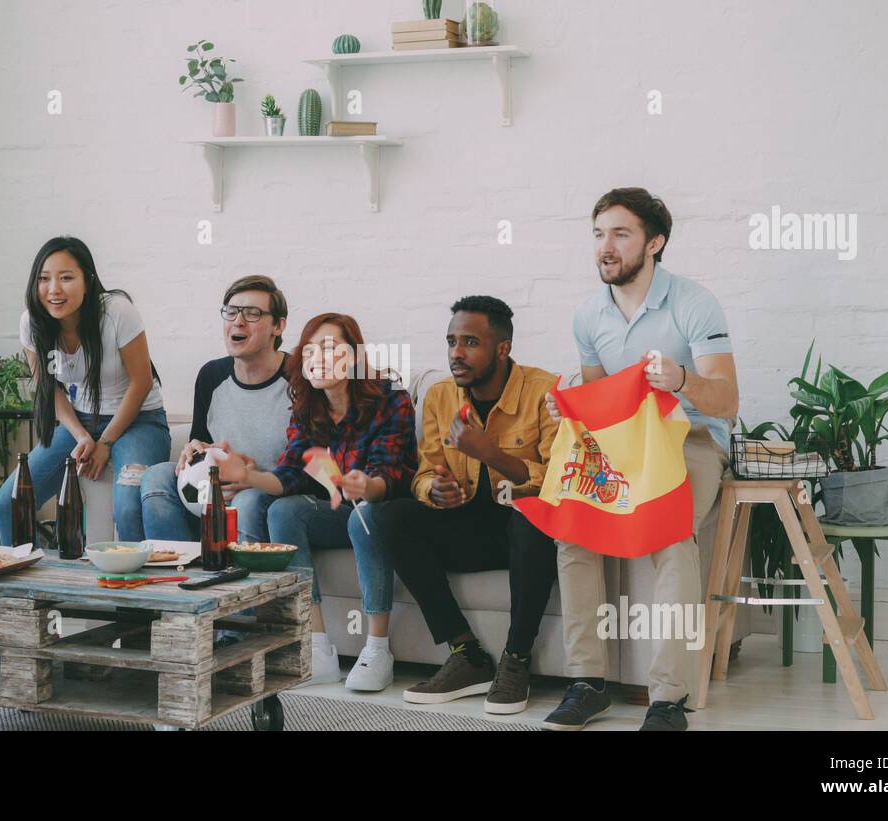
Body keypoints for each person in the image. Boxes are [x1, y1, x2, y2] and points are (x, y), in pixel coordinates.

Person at [543, 187, 738, 731]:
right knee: (573, 529)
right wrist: (567, 408)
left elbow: (728, 399)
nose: (606, 247)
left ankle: (668, 699)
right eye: (599, 234)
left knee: (671, 535)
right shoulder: (589, 314)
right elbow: (600, 404)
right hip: (624, 441)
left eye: (620, 234)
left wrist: (681, 380)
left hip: (690, 439)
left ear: (655, 242)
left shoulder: (695, 304)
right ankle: (587, 682)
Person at [371, 296, 561, 713]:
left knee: (532, 518)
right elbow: (424, 473)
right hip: (468, 531)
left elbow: (557, 480)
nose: (456, 353)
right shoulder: (440, 397)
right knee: (394, 516)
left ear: (502, 349)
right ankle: (466, 655)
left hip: (526, 538)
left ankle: (516, 659)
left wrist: (490, 453)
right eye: (452, 341)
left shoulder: (544, 391)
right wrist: (433, 492)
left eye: (470, 342)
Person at [215, 313, 417, 689]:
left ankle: (377, 648)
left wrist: (364, 484)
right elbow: (290, 474)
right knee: (283, 509)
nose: (318, 358)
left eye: (329, 348)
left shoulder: (391, 399)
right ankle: (317, 647)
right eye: (309, 351)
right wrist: (246, 477)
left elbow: (388, 478)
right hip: (336, 511)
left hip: (383, 510)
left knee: (364, 514)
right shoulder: (308, 409)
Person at [0, 236, 170, 545]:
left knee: (129, 508)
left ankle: (132, 590)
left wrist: (106, 441)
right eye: (44, 279)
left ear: (87, 280)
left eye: (66, 278)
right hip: (80, 419)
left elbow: (141, 382)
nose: (54, 290)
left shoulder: (116, 312)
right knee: (9, 503)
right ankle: (30, 588)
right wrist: (82, 436)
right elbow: (50, 388)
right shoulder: (32, 323)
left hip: (140, 419)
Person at [140, 275, 292, 544]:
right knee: (157, 477)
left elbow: (310, 467)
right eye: (231, 312)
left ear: (278, 326)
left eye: (253, 313)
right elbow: (200, 439)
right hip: (215, 487)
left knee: (246, 501)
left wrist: (253, 478)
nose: (238, 321)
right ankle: (179, 573)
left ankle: (241, 584)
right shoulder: (211, 375)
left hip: (268, 492)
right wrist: (194, 448)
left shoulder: (300, 379)